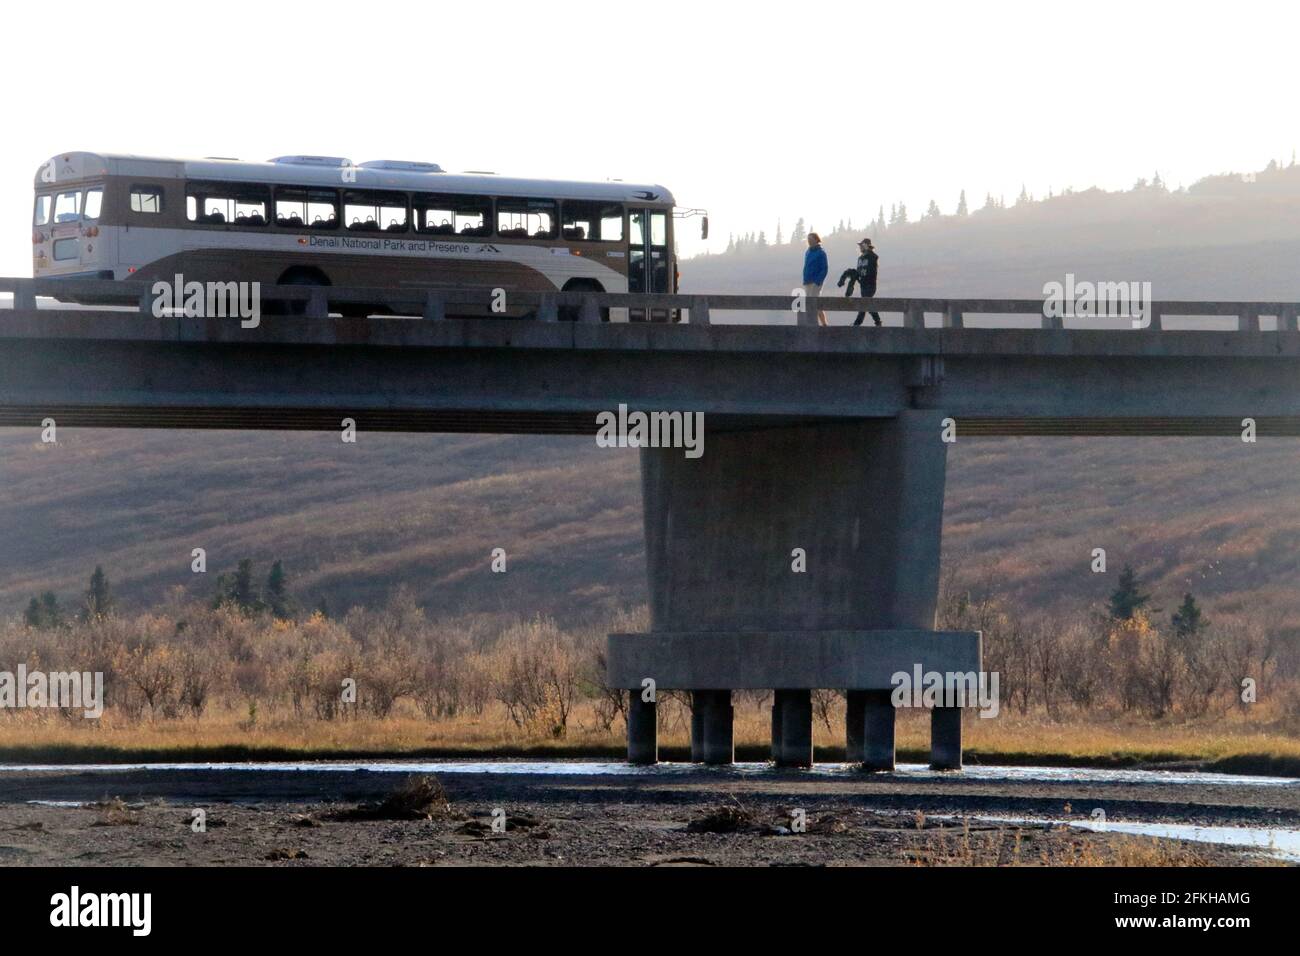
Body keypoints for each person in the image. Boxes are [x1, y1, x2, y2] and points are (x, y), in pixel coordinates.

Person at [851, 237, 881, 326]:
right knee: (867, 303)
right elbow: (858, 271)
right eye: (860, 245)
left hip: (870, 284)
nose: (860, 247)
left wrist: (869, 251)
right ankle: (878, 322)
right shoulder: (860, 258)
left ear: (867, 246)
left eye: (862, 245)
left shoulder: (872, 256)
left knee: (864, 303)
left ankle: (857, 323)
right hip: (863, 284)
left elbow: (873, 264)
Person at [802, 232, 829, 326]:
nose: (809, 241)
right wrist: (805, 279)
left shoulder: (821, 253)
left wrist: (818, 281)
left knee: (813, 301)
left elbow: (824, 268)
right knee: (812, 303)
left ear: (816, 240)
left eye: (811, 239)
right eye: (808, 239)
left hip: (816, 281)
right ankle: (822, 324)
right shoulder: (808, 252)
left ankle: (815, 324)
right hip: (807, 281)